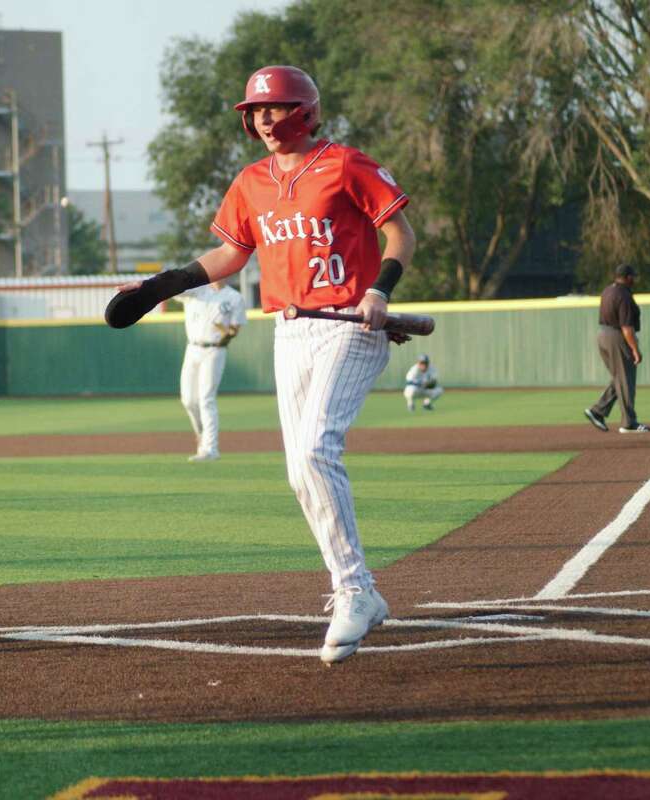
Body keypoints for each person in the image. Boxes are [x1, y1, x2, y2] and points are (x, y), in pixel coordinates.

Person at [108, 65, 416, 664]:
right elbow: (230, 252)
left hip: (350, 322)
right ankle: (361, 592)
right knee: (299, 471)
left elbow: (400, 234)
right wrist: (159, 285)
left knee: (314, 453)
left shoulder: (346, 164)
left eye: (273, 108)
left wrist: (381, 289)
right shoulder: (251, 181)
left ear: (304, 109)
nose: (263, 119)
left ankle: (355, 590)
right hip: (291, 329)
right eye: (255, 111)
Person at [179, 279, 247, 461]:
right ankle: (201, 434)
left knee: (206, 399)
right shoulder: (197, 290)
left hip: (215, 349)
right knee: (188, 400)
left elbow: (235, 330)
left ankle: (210, 449)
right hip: (192, 348)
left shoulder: (234, 297)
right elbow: (175, 292)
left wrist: (225, 330)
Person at [585, 263, 650, 434]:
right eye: (633, 276)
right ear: (628, 277)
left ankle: (597, 411)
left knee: (620, 378)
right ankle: (629, 423)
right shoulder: (623, 295)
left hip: (603, 336)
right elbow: (626, 327)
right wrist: (635, 349)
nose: (634, 279)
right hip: (617, 337)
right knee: (625, 379)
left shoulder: (608, 290)